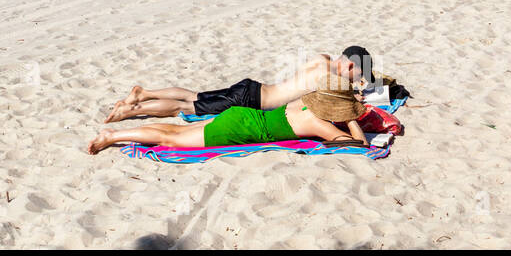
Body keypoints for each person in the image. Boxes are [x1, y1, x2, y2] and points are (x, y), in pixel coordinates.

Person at [104, 50, 369, 122]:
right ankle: (130, 110)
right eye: (356, 73)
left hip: (252, 88)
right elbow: (346, 103)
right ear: (348, 66)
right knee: (183, 108)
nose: (355, 79)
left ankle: (143, 93)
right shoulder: (329, 78)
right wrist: (357, 93)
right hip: (250, 101)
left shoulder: (321, 58)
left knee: (194, 95)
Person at [89, 88, 368, 154]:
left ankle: (118, 132)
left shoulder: (306, 102)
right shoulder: (321, 125)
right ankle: (111, 137)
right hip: (238, 128)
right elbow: (358, 147)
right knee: (170, 139)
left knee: (177, 130)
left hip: (242, 114)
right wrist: (351, 119)